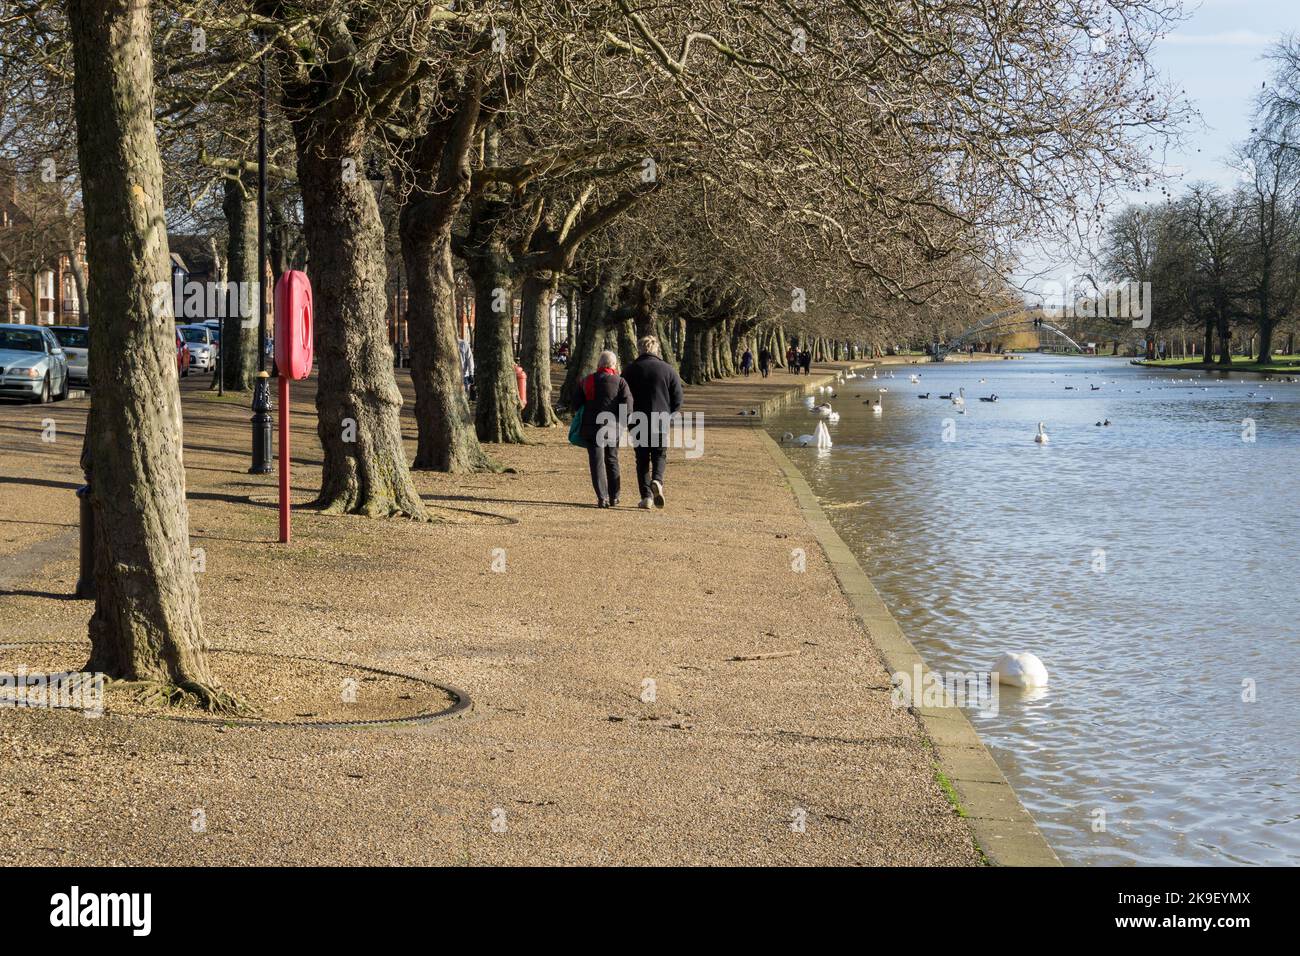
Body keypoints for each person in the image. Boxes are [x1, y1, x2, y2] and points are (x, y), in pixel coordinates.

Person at [621, 335, 684, 510]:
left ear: (639, 349)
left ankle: (646, 497)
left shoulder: (629, 370)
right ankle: (657, 480)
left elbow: (622, 396)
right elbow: (678, 398)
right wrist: (671, 415)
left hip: (637, 419)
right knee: (659, 454)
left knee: (641, 459)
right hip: (661, 418)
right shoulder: (668, 370)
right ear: (656, 349)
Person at [573, 349, 634, 508]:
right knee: (612, 460)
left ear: (599, 364)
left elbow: (576, 403)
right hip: (613, 427)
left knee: (596, 462)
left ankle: (602, 497)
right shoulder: (620, 382)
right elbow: (627, 406)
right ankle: (615, 496)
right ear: (613, 365)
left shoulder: (587, 380)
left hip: (591, 428)